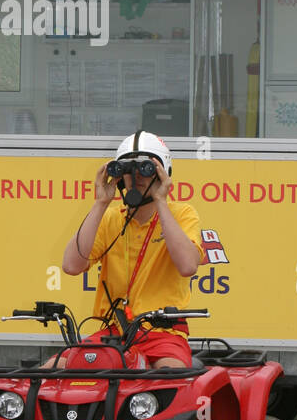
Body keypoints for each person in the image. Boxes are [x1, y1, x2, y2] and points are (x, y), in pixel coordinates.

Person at [59, 131, 203, 369]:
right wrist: (101, 203)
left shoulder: (181, 214)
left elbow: (187, 266)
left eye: (145, 170)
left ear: (162, 173)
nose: (136, 177)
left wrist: (161, 201)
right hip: (112, 333)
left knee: (169, 381)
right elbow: (71, 265)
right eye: (128, 171)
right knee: (54, 370)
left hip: (163, 334)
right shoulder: (110, 218)